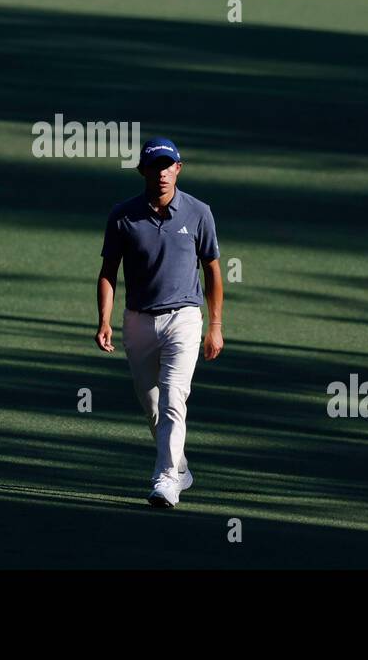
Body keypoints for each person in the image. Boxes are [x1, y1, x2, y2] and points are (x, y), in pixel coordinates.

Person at [95, 136, 224, 508]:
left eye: (168, 166)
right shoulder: (123, 215)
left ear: (178, 169)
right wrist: (104, 320)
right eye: (155, 167)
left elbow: (213, 270)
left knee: (172, 399)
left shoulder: (199, 212)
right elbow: (108, 271)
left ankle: (165, 480)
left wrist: (214, 325)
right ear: (142, 171)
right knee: (151, 405)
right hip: (137, 320)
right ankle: (180, 466)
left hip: (184, 317)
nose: (162, 173)